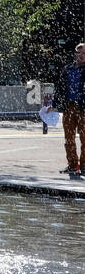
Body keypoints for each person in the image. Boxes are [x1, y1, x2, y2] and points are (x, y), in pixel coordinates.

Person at [53, 42, 85, 179]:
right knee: (69, 138)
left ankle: (84, 166)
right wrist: (54, 104)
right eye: (80, 53)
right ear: (75, 54)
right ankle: (72, 165)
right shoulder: (68, 69)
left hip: (84, 108)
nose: (82, 56)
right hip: (69, 107)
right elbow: (60, 88)